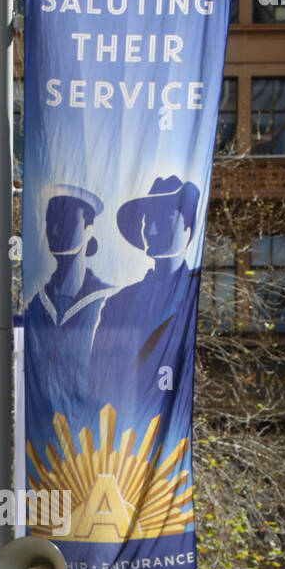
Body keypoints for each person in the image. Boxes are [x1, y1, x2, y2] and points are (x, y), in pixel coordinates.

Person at [87, 175, 201, 424]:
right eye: (148, 220)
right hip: (124, 438)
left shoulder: (196, 296)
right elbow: (98, 384)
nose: (150, 229)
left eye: (163, 219)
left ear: (187, 227)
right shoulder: (118, 304)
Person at [24, 186, 112, 410]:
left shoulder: (108, 302)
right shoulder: (36, 304)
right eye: (50, 221)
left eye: (66, 222)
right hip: (42, 428)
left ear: (88, 229)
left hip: (90, 431)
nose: (55, 230)